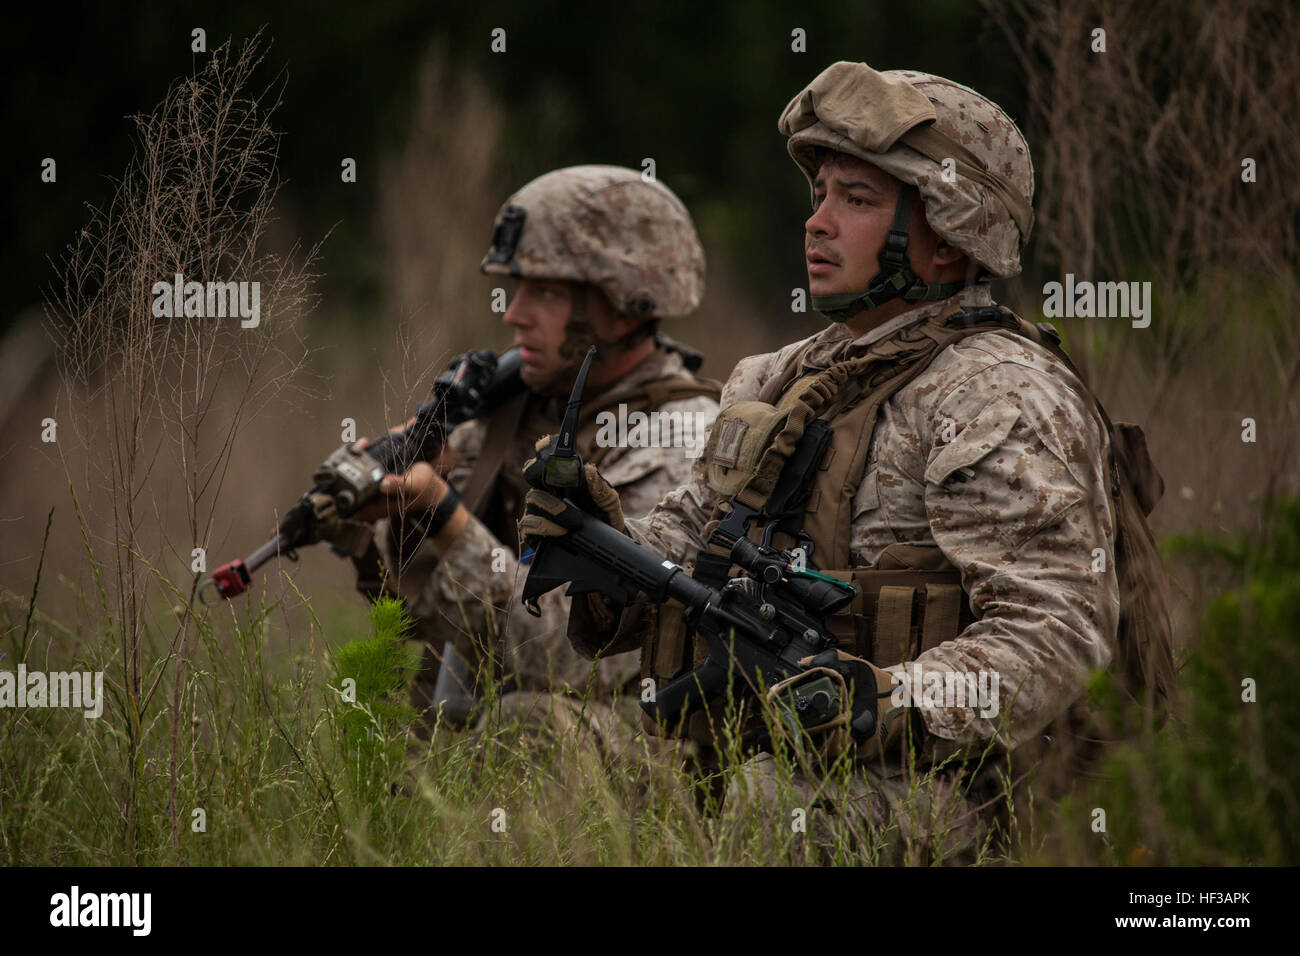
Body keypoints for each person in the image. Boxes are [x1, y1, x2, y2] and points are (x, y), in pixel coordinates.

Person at [522, 63, 1173, 862]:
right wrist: (597, 544)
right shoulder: (773, 380)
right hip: (764, 758)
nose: (817, 223)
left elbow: (1058, 632)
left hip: (963, 789)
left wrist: (884, 698)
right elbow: (686, 558)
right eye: (819, 194)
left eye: (856, 200)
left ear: (949, 234)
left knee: (771, 807)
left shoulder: (999, 393)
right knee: (542, 750)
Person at [326, 165, 721, 738]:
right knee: (385, 715)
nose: (513, 314)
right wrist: (391, 516)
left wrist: (446, 516)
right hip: (502, 722)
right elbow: (416, 619)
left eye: (547, 292)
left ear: (624, 305)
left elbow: (573, 660)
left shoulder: (678, 440)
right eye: (517, 289)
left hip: (644, 738)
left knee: (529, 726)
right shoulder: (515, 413)